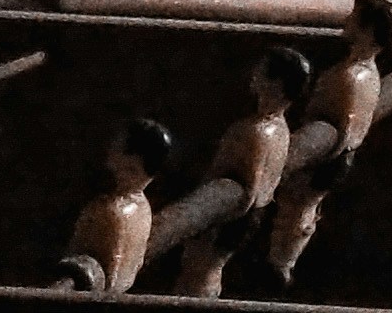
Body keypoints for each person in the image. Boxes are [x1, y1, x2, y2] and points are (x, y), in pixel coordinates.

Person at [265, 0, 392, 283]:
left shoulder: (353, 77)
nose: (346, 22)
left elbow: (344, 128)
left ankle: (280, 265)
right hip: (330, 156)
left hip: (327, 158)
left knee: (296, 213)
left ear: (366, 29)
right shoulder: (361, 72)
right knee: (296, 210)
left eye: (354, 18)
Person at [172, 45, 312, 298]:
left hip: (228, 219)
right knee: (208, 270)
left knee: (200, 271)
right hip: (248, 218)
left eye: (261, 71)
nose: (254, 75)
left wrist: (207, 219)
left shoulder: (254, 131)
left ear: (277, 83)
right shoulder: (281, 128)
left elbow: (248, 191)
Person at [53, 117, 175, 294]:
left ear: (132, 160)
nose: (111, 147)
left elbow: (110, 271)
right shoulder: (142, 208)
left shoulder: (110, 213)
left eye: (118, 143)